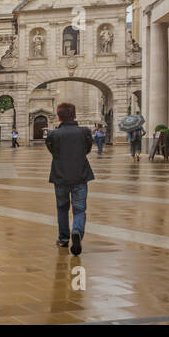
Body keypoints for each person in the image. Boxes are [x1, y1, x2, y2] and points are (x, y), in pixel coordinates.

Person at [44, 102, 94, 256]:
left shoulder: (53, 134)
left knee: (62, 208)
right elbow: (87, 149)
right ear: (75, 115)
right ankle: (77, 231)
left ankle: (64, 238)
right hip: (80, 175)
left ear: (58, 117)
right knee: (80, 209)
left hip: (60, 176)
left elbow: (52, 151)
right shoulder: (84, 132)